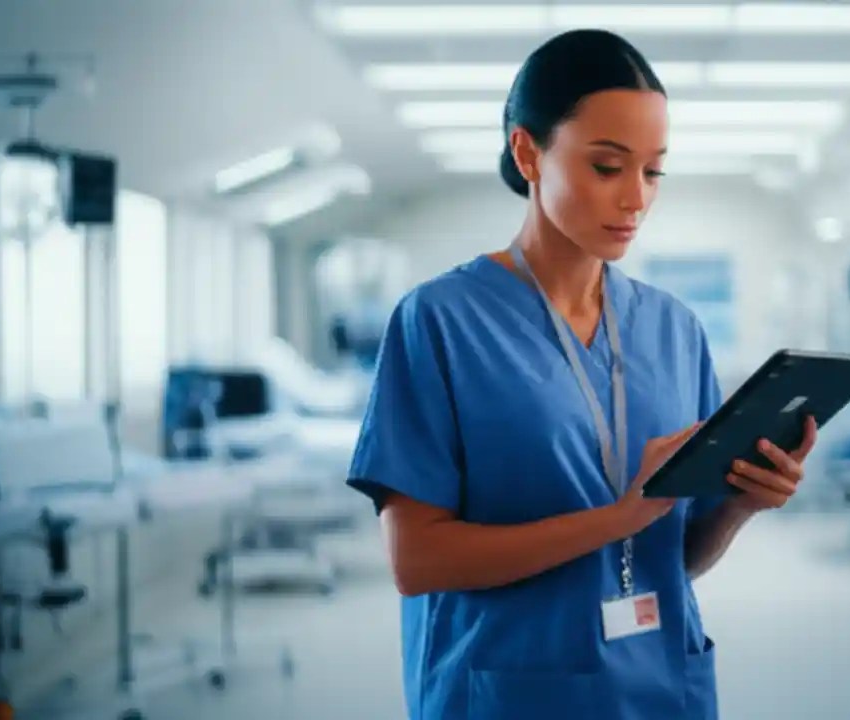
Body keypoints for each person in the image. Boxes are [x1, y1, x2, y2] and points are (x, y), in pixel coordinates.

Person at [347, 28, 817, 720]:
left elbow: (671, 554)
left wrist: (743, 502)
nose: (636, 199)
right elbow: (417, 562)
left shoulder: (674, 330)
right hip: (508, 692)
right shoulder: (440, 322)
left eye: (653, 172)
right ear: (527, 153)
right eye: (607, 167)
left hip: (658, 687)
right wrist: (620, 515)